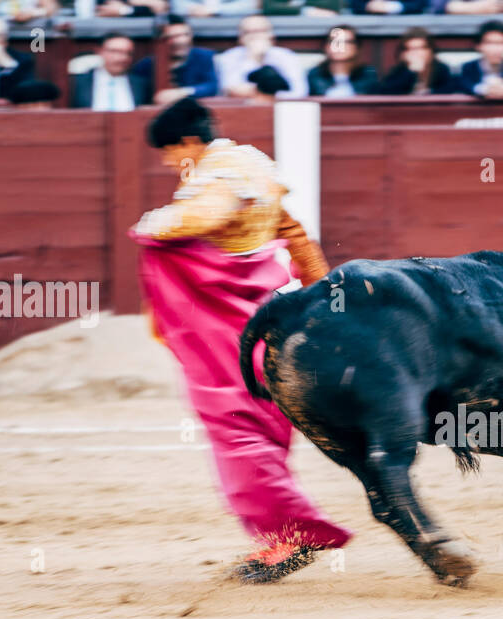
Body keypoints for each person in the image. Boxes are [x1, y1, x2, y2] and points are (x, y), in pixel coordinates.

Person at [130, 97, 352, 583]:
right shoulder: (253, 165)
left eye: (169, 153)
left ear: (187, 142)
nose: (169, 164)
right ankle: (283, 534)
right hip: (272, 320)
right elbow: (293, 233)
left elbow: (202, 218)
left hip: (229, 332)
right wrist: (323, 292)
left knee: (237, 428)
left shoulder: (221, 175)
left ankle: (292, 533)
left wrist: (151, 225)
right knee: (261, 426)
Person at [130, 15, 220, 105]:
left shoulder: (204, 56)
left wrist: (182, 92)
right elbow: (137, 98)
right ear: (159, 40)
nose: (181, 41)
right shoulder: (145, 65)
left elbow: (211, 86)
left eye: (186, 35)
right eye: (173, 36)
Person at [216, 16, 308, 100]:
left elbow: (299, 92)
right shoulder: (228, 57)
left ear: (271, 35)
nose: (255, 36)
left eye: (261, 31)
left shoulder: (286, 56)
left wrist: (264, 95)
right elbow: (229, 89)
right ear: (240, 38)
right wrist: (252, 58)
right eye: (248, 32)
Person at [71, 33, 150, 110]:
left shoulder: (142, 85)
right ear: (99, 51)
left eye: (128, 53)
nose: (122, 58)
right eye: (115, 51)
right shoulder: (77, 83)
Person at [377, 28, 461, 95]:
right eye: (410, 49)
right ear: (403, 54)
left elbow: (449, 91)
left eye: (420, 48)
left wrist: (428, 93)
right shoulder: (398, 71)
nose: (416, 53)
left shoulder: (441, 69)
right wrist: (411, 72)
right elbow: (387, 92)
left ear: (430, 51)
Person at [460, 20, 503, 99]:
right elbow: (465, 86)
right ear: (478, 45)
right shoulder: (469, 67)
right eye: (489, 43)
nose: (495, 48)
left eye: (500, 43)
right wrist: (485, 89)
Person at [307, 25, 378, 97]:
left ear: (357, 47)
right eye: (334, 41)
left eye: (346, 42)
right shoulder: (314, 75)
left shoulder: (367, 75)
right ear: (325, 46)